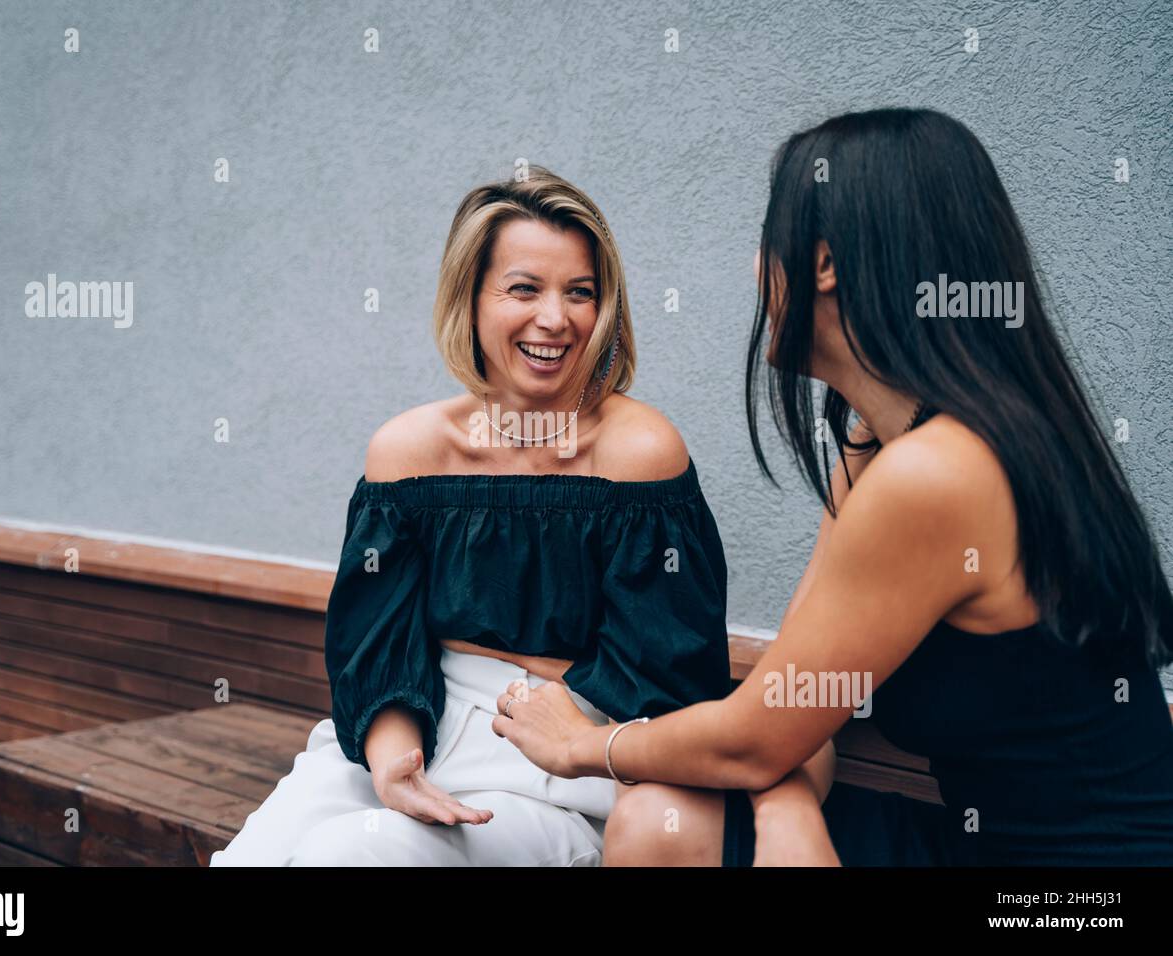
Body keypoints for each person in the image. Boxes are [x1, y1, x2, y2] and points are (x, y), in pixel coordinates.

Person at [491, 109, 1173, 866]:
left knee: (660, 817)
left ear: (822, 264)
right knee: (663, 820)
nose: (757, 268)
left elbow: (759, 735)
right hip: (981, 845)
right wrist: (784, 806)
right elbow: (789, 703)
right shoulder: (886, 438)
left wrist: (586, 744)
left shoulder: (937, 474)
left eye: (769, 238)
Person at [210, 166, 822, 866]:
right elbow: (374, 649)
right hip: (414, 734)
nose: (555, 319)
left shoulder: (639, 454)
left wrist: (540, 689)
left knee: (352, 857)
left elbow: (672, 675)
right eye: (524, 288)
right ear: (470, 301)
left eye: (581, 293)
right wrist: (390, 758)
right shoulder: (408, 452)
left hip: (564, 769)